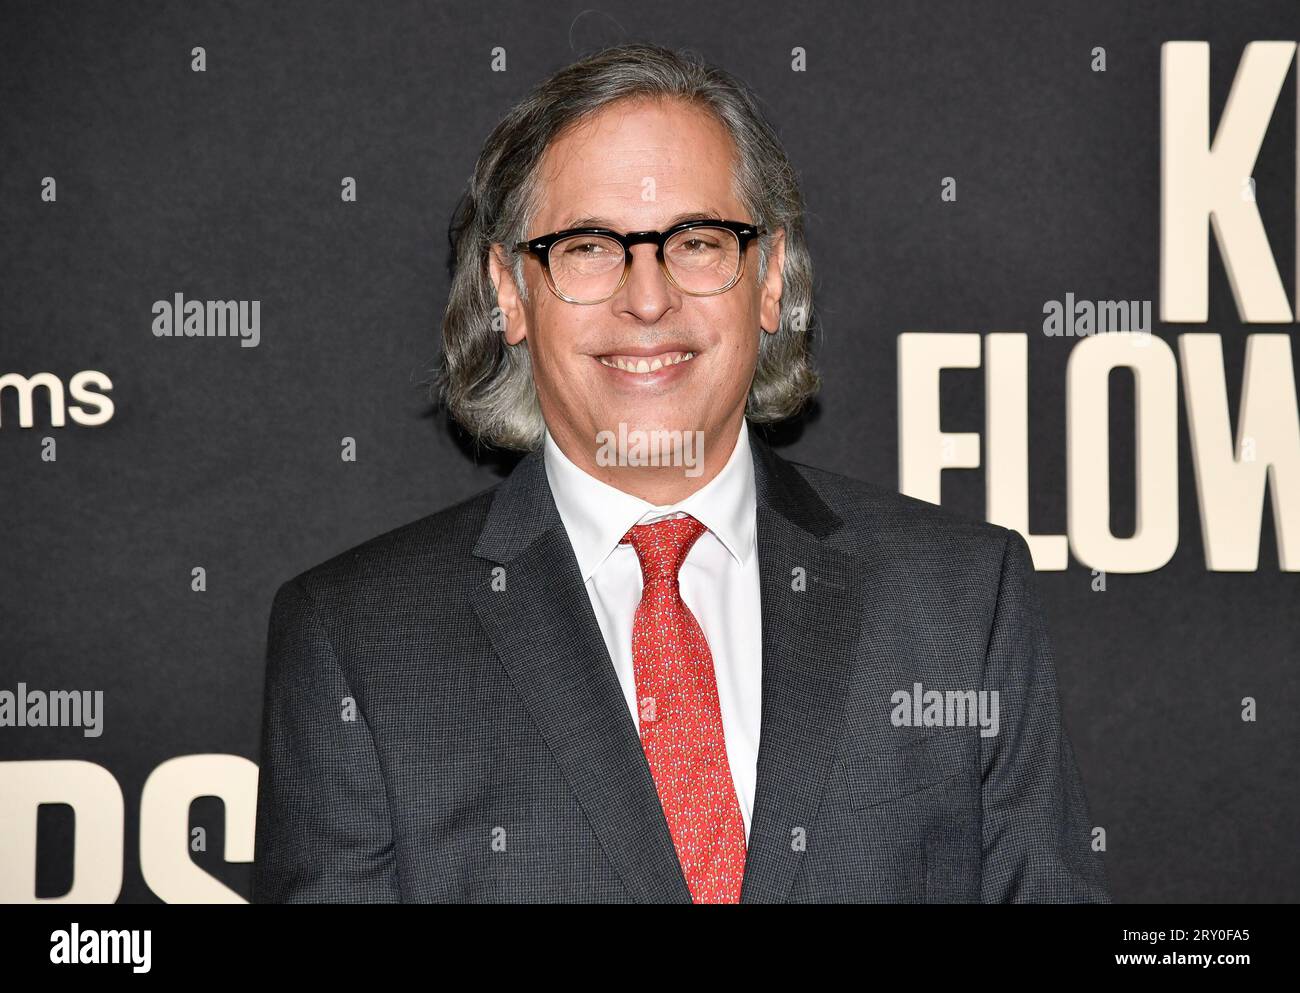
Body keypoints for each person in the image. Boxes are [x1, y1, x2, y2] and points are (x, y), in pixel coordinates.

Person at [252, 42, 1110, 903]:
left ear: (770, 277)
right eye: (589, 246)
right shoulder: (357, 640)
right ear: (509, 291)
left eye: (696, 241)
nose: (649, 298)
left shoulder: (960, 598)